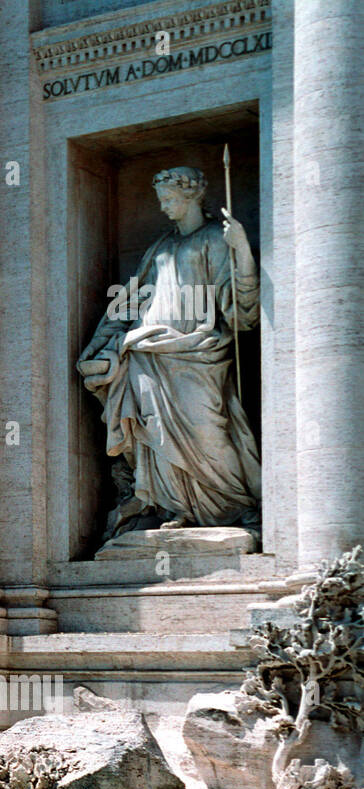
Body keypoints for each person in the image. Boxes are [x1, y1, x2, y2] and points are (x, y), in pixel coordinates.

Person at [78, 165, 261, 535]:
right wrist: (102, 346)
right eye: (161, 200)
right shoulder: (160, 247)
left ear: (191, 197)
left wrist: (240, 247)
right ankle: (175, 506)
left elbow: (241, 308)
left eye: (170, 200)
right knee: (156, 433)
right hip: (147, 354)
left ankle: (236, 503)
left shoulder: (214, 238)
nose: (164, 207)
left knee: (207, 428)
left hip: (198, 352)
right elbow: (131, 301)